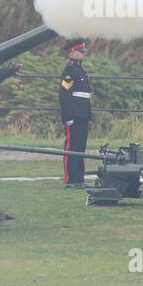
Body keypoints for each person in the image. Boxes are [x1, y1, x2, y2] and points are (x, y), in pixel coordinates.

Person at [58, 38, 92, 188]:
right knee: (71, 147)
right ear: (72, 52)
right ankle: (71, 180)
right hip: (74, 115)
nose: (84, 53)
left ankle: (79, 178)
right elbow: (65, 96)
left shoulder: (79, 69)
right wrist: (68, 117)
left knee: (80, 148)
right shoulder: (70, 71)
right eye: (81, 51)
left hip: (82, 114)